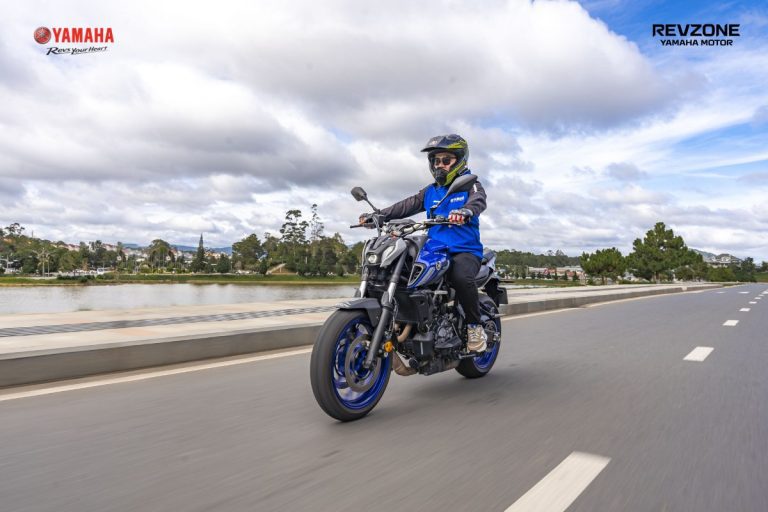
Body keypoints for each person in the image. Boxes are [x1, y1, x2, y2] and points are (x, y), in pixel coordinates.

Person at [359, 134, 488, 352]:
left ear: (460, 160)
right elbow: (406, 205)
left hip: (464, 251)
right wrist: (379, 215)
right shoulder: (430, 191)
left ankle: (474, 327)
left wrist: (466, 211)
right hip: (435, 250)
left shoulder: (470, 184)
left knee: (461, 277)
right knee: (401, 272)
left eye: (446, 160)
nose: (439, 165)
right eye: (435, 160)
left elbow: (479, 200)